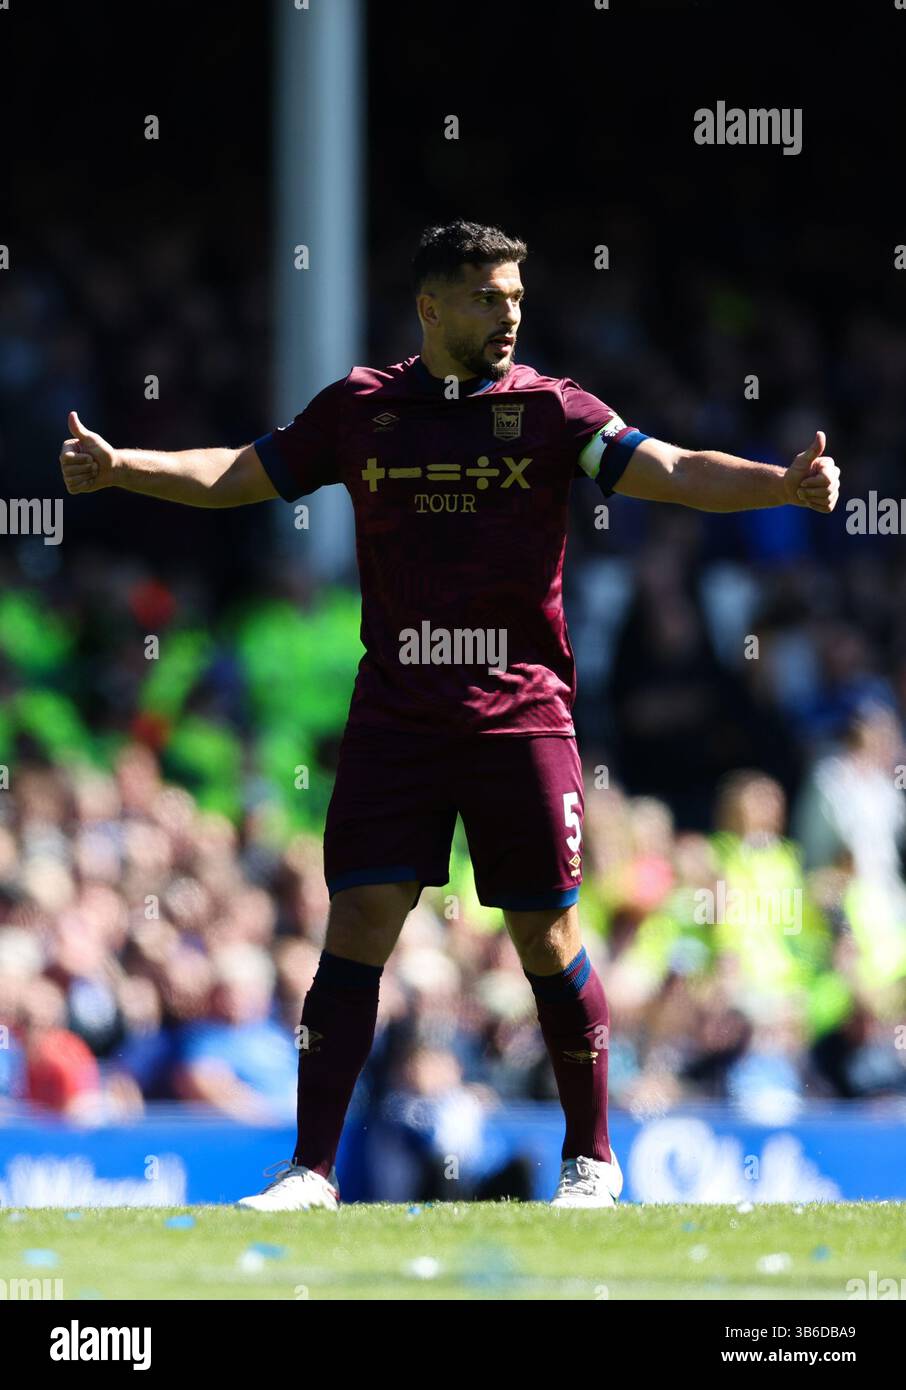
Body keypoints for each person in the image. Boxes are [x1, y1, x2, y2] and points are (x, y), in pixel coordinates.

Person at [60, 219, 840, 1210]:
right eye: (487, 297)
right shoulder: (362, 408)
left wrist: (781, 484)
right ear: (432, 307)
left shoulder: (554, 411)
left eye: (517, 297)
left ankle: (592, 1160)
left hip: (521, 715)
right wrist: (123, 463)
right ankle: (310, 1170)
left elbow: (675, 467)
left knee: (545, 936)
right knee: (356, 930)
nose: (509, 313)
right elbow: (240, 472)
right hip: (396, 718)